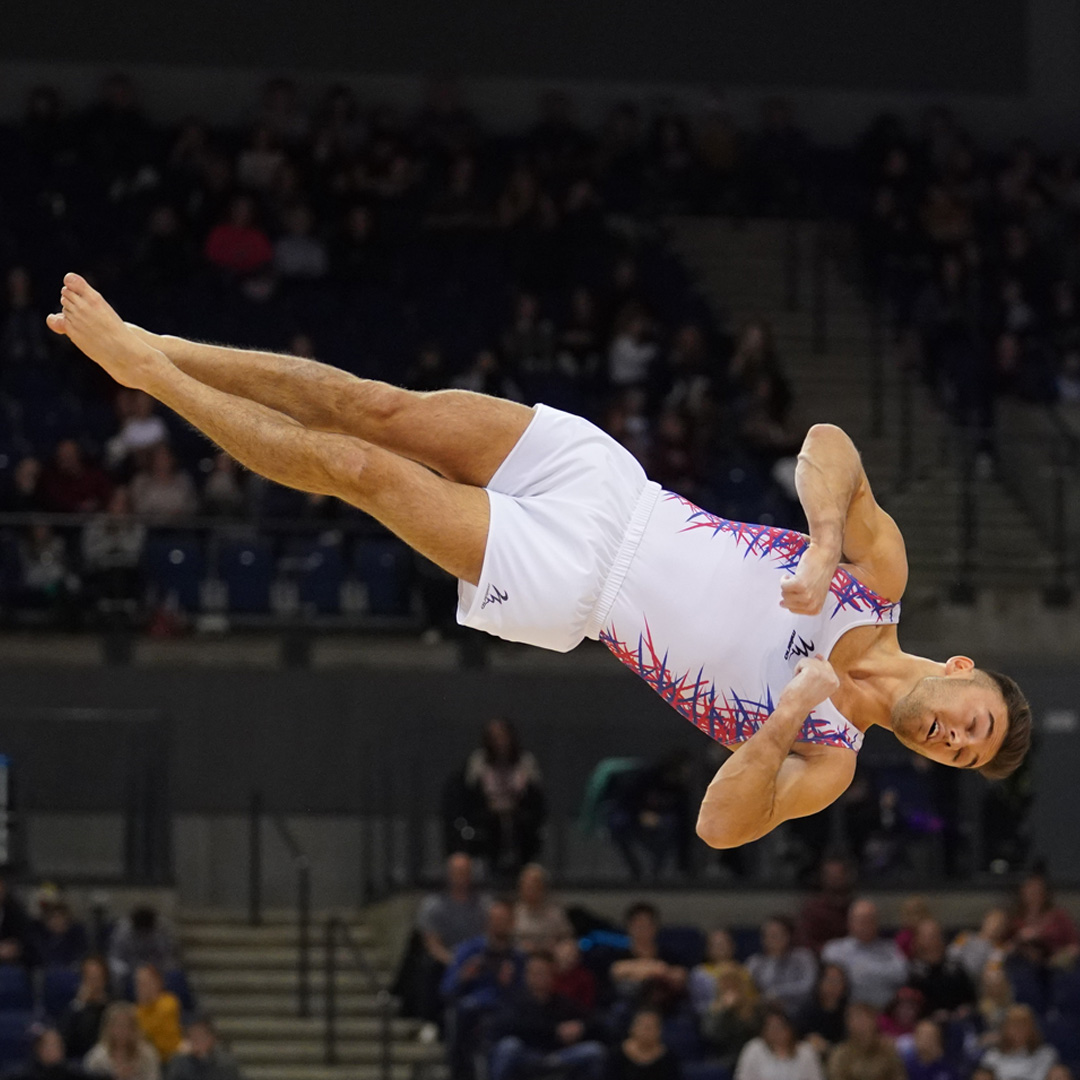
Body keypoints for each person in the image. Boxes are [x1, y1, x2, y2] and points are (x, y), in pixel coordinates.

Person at [50, 276, 1032, 846]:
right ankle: (153, 340)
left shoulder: (828, 758)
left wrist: (781, 718)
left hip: (576, 588)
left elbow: (720, 827)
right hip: (618, 491)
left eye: (966, 753)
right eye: (973, 721)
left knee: (359, 470)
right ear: (962, 671)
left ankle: (150, 379)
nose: (954, 739)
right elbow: (829, 445)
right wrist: (822, 549)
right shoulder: (881, 582)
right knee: (380, 407)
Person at [440, 900, 526, 1079]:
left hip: (506, 1011)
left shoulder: (519, 958)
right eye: (495, 919)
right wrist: (463, 977)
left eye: (503, 919)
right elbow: (446, 989)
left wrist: (509, 984)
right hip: (471, 1012)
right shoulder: (469, 950)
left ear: (512, 923)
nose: (498, 924)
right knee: (465, 1010)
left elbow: (528, 996)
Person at [488, 952, 606, 1080]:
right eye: (533, 972)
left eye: (542, 972)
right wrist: (555, 1030)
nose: (537, 977)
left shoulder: (561, 1002)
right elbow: (506, 1025)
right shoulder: (514, 1000)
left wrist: (580, 1027)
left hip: (555, 1056)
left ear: (552, 975)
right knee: (508, 1046)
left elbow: (593, 1019)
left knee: (594, 1050)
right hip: (526, 1054)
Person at [412, 853, 491, 1039]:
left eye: (464, 872)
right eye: (456, 872)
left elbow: (489, 936)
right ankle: (431, 1021)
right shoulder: (433, 905)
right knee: (430, 967)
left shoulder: (484, 904)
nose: (460, 877)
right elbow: (432, 943)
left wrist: (474, 960)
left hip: (477, 958)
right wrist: (456, 962)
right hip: (447, 958)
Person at [463, 718, 545, 875]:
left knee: (522, 825)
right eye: (494, 737)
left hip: (519, 814)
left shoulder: (525, 761)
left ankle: (522, 871)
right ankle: (492, 870)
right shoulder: (478, 761)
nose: (499, 741)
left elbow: (536, 796)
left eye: (502, 736)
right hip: (487, 814)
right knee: (491, 825)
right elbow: (470, 795)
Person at [820, 900, 908, 1010]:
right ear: (850, 923)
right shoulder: (834, 950)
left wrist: (859, 971)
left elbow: (901, 975)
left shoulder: (891, 948)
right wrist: (881, 972)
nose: (866, 925)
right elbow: (829, 986)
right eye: (861, 920)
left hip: (886, 1013)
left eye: (870, 920)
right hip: (847, 1014)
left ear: (877, 923)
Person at [609, 904, 688, 1013]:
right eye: (638, 925)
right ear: (629, 927)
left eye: (647, 925)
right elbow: (617, 971)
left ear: (655, 927)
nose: (643, 930)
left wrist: (637, 972)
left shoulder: (669, 955)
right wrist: (657, 969)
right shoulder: (618, 955)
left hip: (664, 1006)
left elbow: (680, 975)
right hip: (631, 1008)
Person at [746, 916, 817, 1015]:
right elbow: (747, 988)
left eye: (777, 934)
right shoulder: (755, 962)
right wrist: (767, 999)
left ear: (788, 935)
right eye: (769, 935)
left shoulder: (803, 956)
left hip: (799, 1011)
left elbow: (808, 986)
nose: (773, 939)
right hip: (765, 1011)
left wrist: (776, 993)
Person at [906, 918, 975, 1019]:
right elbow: (911, 1005)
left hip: (957, 1020)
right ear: (918, 939)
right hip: (926, 1022)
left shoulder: (954, 967)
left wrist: (965, 1008)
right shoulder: (913, 971)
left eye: (936, 935)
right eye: (928, 936)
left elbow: (970, 998)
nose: (933, 940)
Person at [734, 1006, 824, 1080]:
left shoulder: (806, 1052)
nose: (777, 1032)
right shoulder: (753, 1049)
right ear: (764, 1031)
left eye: (780, 1027)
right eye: (771, 1028)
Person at [1012, 872, 1080, 967]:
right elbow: (1007, 946)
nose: (1033, 894)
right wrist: (1021, 941)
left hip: (1057, 962)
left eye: (1038, 890)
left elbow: (1074, 944)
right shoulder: (1016, 919)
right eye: (1030, 889)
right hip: (1027, 962)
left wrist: (1061, 956)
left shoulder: (1059, 916)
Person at [825, 1003, 904, 1080]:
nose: (860, 1023)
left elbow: (898, 1075)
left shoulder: (888, 1050)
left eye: (865, 1018)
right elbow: (836, 1076)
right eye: (854, 1018)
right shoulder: (840, 1053)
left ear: (874, 1021)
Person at [84, 1002, 161, 1080]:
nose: (122, 1031)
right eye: (117, 1026)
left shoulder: (147, 1055)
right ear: (107, 1029)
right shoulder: (97, 1058)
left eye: (127, 1026)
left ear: (135, 1029)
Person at [979, 1005, 1058, 1080]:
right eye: (1014, 1026)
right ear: (1005, 1029)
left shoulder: (1046, 1056)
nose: (1018, 1031)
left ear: (1032, 1029)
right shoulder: (992, 1057)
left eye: (1023, 1026)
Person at [107, 906, 177, 987]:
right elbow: (115, 958)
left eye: (146, 931)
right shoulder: (123, 931)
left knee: (174, 976)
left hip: (156, 970)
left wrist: (156, 970)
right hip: (129, 972)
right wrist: (131, 972)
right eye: (141, 931)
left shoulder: (160, 930)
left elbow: (168, 956)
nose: (144, 934)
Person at [796, 860, 854, 955]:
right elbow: (804, 943)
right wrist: (831, 953)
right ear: (823, 878)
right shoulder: (812, 909)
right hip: (820, 960)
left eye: (838, 875)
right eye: (831, 876)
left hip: (854, 960)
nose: (835, 879)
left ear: (847, 877)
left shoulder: (857, 908)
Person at [61, 955, 114, 1060]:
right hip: (81, 1058)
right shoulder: (76, 1007)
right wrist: (80, 1003)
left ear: (105, 979)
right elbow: (65, 1040)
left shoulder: (113, 1006)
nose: (93, 983)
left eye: (97, 977)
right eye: (89, 977)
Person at [608, 1008, 681, 1080]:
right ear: (632, 1028)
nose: (646, 1031)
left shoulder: (669, 1058)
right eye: (643, 1026)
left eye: (651, 1027)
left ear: (660, 1031)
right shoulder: (616, 1054)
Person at [512, 864, 570, 953]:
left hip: (548, 957)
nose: (531, 889)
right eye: (527, 885)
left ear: (543, 888)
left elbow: (566, 937)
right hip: (520, 957)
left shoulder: (555, 913)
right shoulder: (513, 912)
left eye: (535, 885)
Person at [794, 964, 848, 1058]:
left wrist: (830, 1048)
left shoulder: (849, 1011)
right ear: (819, 982)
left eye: (838, 981)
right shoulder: (807, 1011)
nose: (833, 986)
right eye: (830, 980)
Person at [164, 1016, 243, 1080]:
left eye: (201, 1036)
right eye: (193, 1036)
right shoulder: (179, 1063)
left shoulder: (225, 1063)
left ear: (211, 1038)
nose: (197, 1040)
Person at [949, 907, 1011, 983]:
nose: (995, 926)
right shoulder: (965, 936)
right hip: (954, 974)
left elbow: (992, 971)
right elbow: (952, 953)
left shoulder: (998, 950)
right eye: (993, 921)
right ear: (985, 920)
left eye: (1000, 924)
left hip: (975, 984)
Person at [134, 965, 182, 1063]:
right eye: (139, 983)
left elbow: (149, 1032)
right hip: (147, 1061)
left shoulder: (169, 1003)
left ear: (158, 982)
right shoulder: (135, 1011)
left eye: (146, 983)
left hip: (171, 1059)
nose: (142, 987)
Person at [689, 929, 741, 1014]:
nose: (721, 948)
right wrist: (721, 1005)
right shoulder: (699, 973)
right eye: (717, 944)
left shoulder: (742, 971)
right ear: (708, 949)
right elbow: (698, 1006)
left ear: (732, 946)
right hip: (712, 1017)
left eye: (724, 943)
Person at [11, 1027, 85, 1080]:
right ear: (39, 1049)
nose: (56, 1050)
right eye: (50, 1046)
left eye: (58, 1045)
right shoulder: (23, 1075)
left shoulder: (73, 1075)